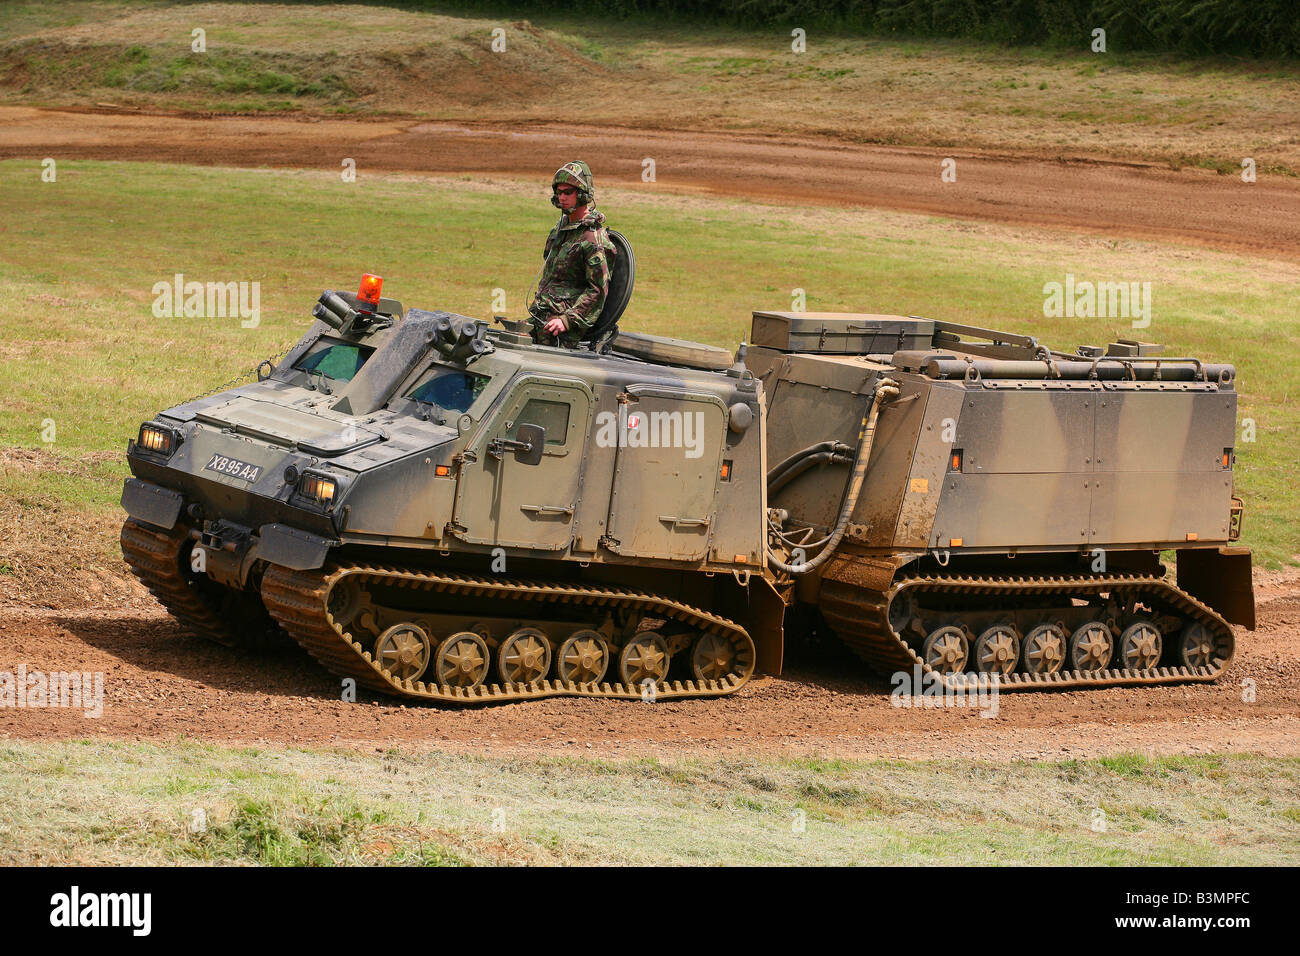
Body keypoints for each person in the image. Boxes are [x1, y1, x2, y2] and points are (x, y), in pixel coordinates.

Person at [528, 161, 615, 348]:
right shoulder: (560, 229)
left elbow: (598, 290)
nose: (562, 197)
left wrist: (566, 321)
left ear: (582, 194)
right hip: (542, 317)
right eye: (559, 192)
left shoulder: (593, 238)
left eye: (568, 192)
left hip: (564, 331)